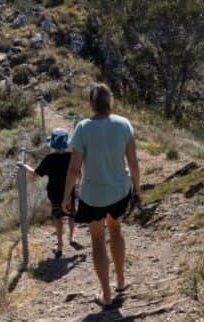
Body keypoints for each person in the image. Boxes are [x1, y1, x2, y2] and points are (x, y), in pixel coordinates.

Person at [62, 83, 143, 309]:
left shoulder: (83, 128)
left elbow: (75, 169)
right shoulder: (124, 124)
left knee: (97, 239)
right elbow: (134, 163)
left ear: (91, 103)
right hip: (120, 191)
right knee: (116, 229)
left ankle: (106, 294)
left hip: (93, 195)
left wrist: (67, 195)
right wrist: (137, 189)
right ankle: (121, 281)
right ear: (110, 102)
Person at [23, 128, 77, 257]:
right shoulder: (72, 157)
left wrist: (25, 166)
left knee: (58, 217)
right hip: (69, 191)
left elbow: (36, 173)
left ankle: (59, 245)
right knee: (71, 214)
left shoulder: (49, 159)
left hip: (54, 192)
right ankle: (72, 237)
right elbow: (78, 173)